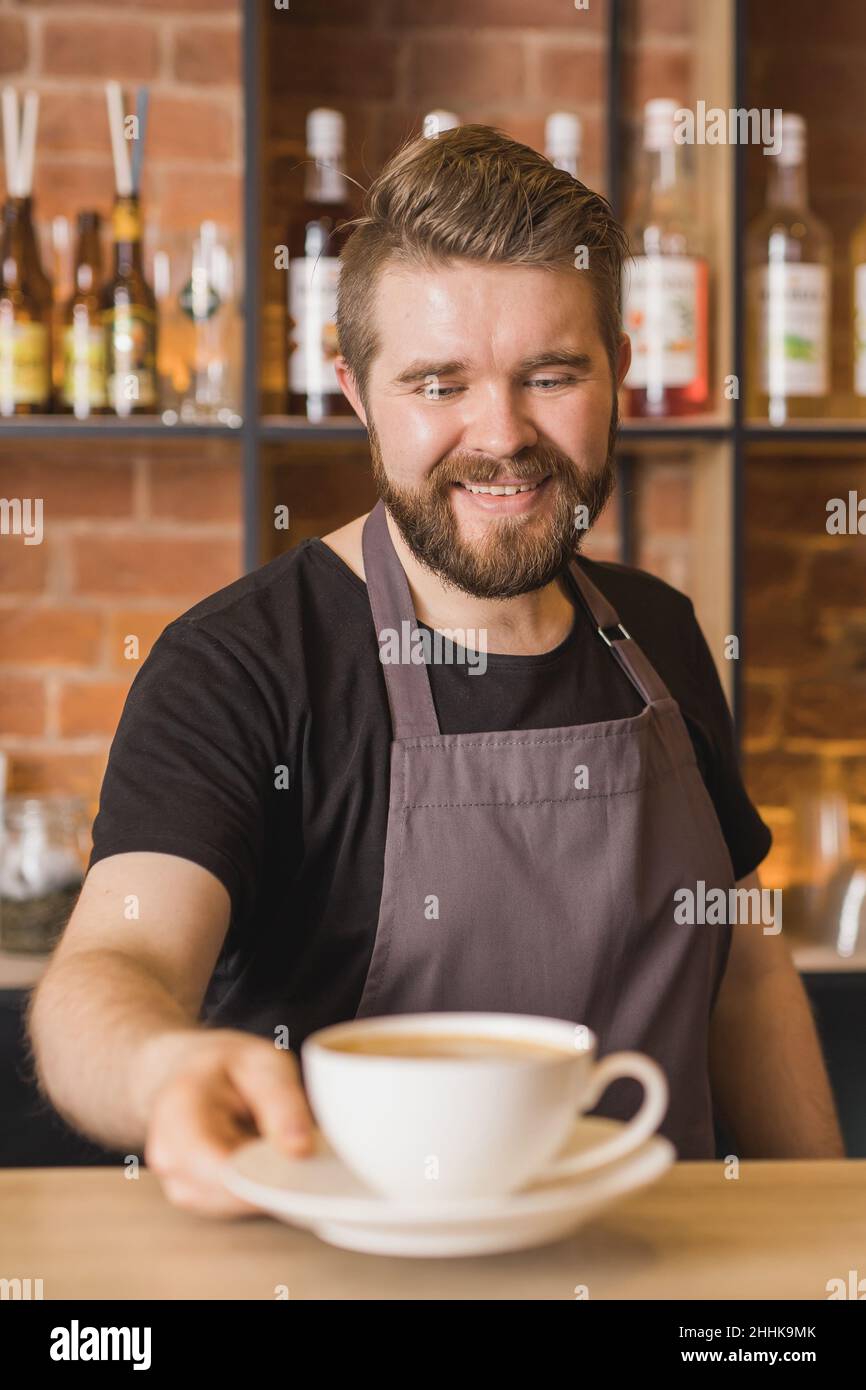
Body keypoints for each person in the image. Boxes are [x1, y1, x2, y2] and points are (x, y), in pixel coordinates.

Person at [28, 127, 845, 1216]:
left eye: (549, 374)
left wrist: (832, 1236)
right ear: (356, 394)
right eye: (436, 382)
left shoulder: (657, 630)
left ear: (617, 371)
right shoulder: (239, 665)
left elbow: (743, 978)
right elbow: (110, 969)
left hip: (669, 1284)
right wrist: (156, 1068)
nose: (499, 435)